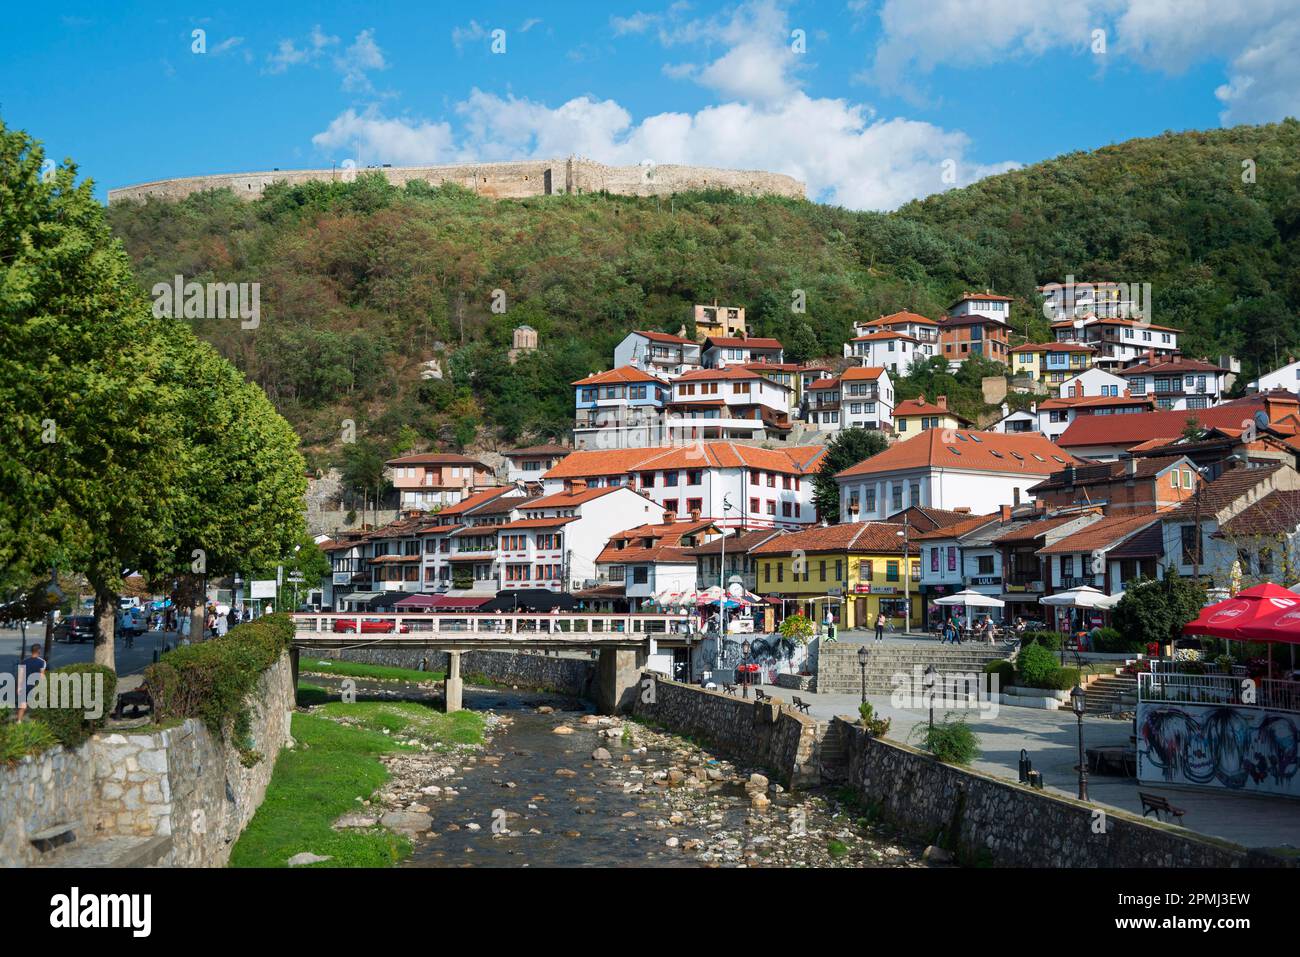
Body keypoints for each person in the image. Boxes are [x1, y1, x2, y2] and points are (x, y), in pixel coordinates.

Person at [16, 644, 47, 722]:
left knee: (23, 705)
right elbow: (42, 676)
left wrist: (18, 688)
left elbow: (20, 676)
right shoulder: (42, 662)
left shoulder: (24, 661)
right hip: (34, 687)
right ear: (39, 651)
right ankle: (36, 722)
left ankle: (19, 721)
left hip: (23, 686)